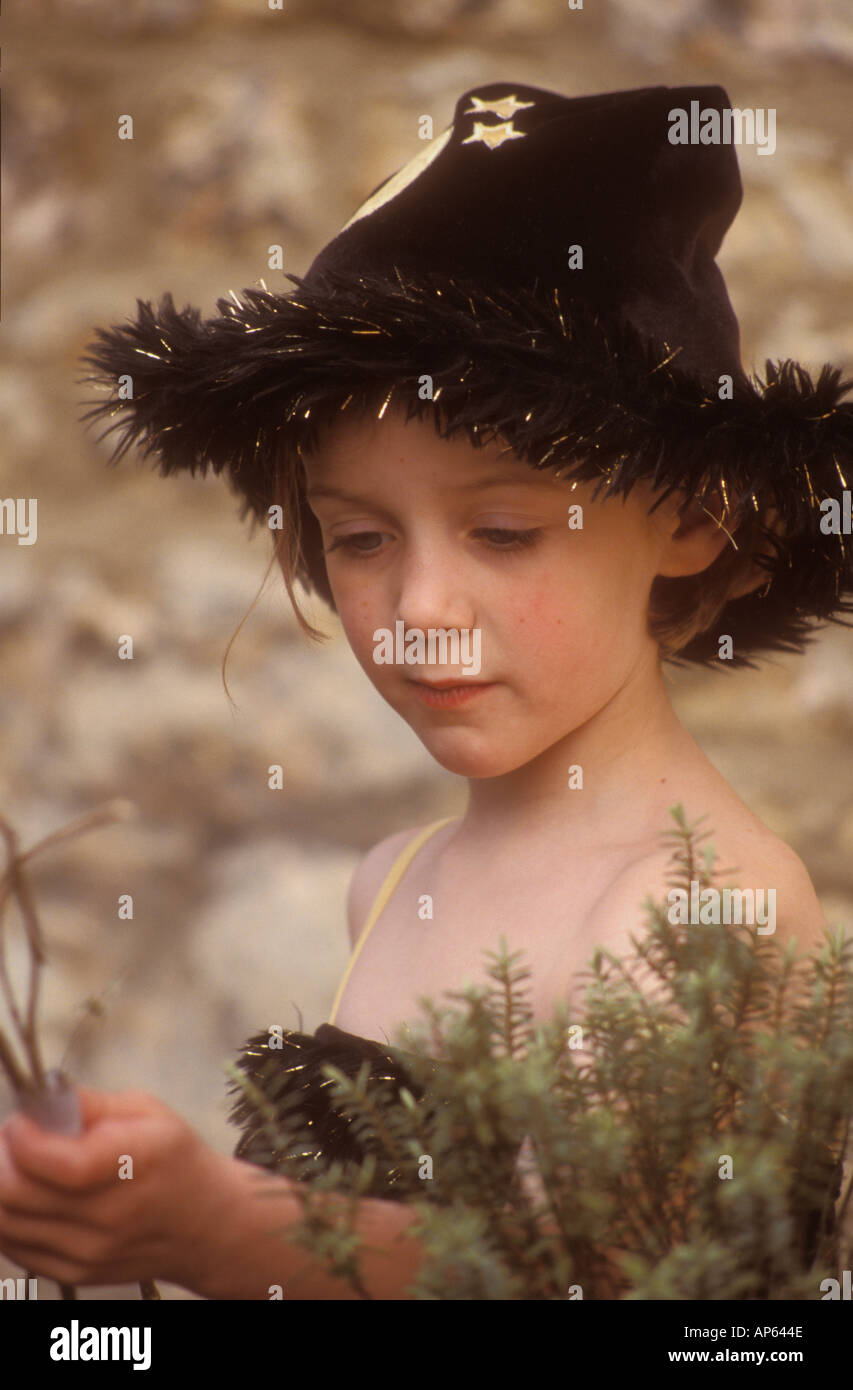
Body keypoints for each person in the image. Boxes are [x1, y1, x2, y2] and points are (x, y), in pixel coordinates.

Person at [0, 80, 850, 1300]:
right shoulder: (392, 881)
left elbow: (611, 1286)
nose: (419, 609)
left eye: (502, 531)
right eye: (359, 538)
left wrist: (225, 1229)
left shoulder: (703, 901)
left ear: (690, 521)